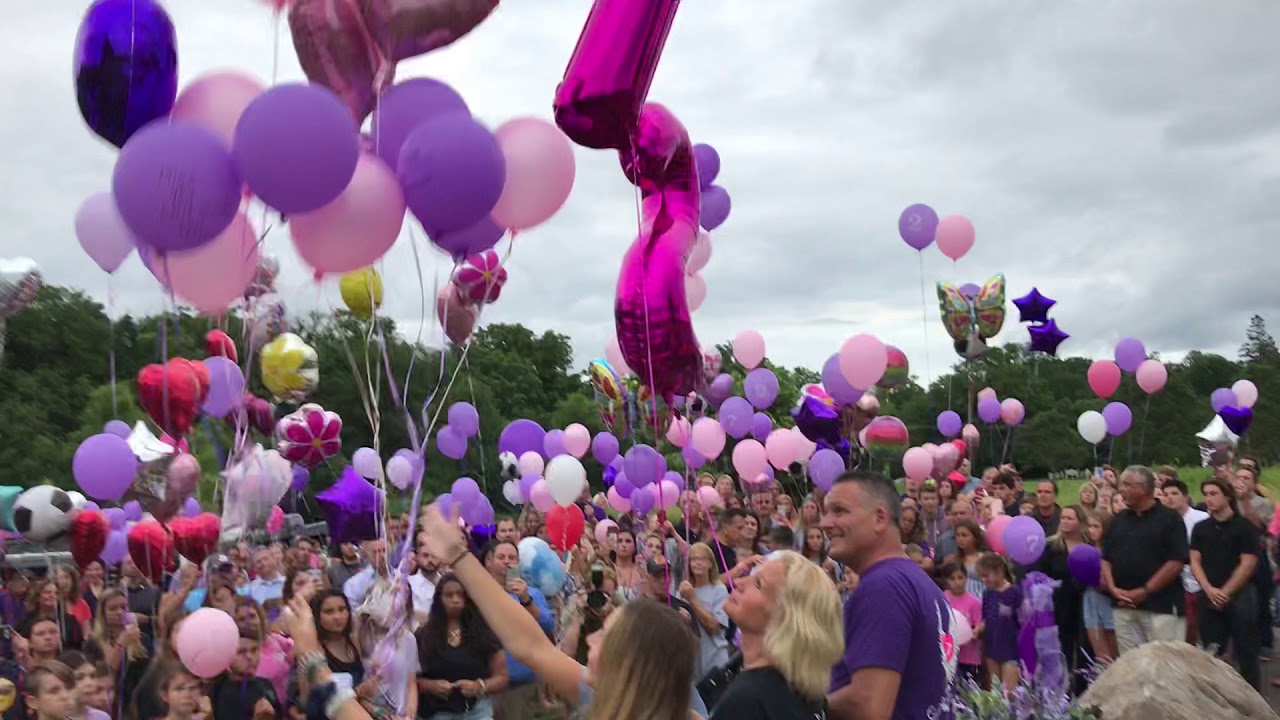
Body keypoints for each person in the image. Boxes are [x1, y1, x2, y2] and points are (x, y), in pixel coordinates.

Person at [416, 505, 708, 720]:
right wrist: (457, 555)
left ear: (633, 662)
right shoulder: (609, 695)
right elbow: (532, 647)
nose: (592, 640)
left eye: (607, 635)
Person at [822, 470, 951, 720]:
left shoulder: (884, 587)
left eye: (839, 511)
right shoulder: (916, 581)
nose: (826, 523)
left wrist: (800, 705)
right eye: (826, 512)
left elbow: (869, 706)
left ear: (880, 518)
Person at [709, 551, 842, 719]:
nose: (738, 582)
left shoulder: (747, 701)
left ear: (784, 619)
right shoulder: (806, 692)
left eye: (758, 584)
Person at [1101, 465, 1189, 653]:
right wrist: (1113, 589)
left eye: (1126, 484)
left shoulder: (1169, 519)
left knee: (1164, 665)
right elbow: (1106, 559)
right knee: (1131, 666)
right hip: (1123, 607)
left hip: (1159, 608)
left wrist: (1144, 591)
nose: (1121, 489)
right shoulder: (1119, 519)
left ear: (1143, 488)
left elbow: (1176, 561)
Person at [1190, 477, 1261, 690]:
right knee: (1211, 652)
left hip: (1240, 595)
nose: (1209, 499)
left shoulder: (1244, 527)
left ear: (1227, 496)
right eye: (1206, 494)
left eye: (1214, 494)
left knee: (1246, 652)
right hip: (1209, 594)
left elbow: (1248, 563)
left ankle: (1254, 702)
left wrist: (1225, 592)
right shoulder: (1200, 528)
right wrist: (1208, 589)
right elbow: (1195, 560)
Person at [416, 573, 508, 719]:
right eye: (449, 595)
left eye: (460, 595)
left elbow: (502, 676)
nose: (455, 600)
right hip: (439, 712)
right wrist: (431, 686)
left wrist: (479, 686)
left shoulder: (484, 633)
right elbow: (410, 680)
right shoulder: (424, 636)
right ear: (439, 599)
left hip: (477, 710)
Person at [479, 540, 554, 719]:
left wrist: (525, 598)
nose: (507, 561)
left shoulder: (533, 594)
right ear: (489, 562)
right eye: (501, 557)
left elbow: (547, 625)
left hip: (526, 684)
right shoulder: (479, 594)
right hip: (492, 684)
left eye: (512, 558)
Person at [1033, 505, 1088, 689]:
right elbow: (1040, 576)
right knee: (1061, 649)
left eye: (1070, 518)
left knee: (1083, 650)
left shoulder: (1089, 546)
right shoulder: (1051, 547)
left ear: (1080, 523)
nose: (1064, 521)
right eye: (1063, 518)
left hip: (1083, 604)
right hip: (1058, 605)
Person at [1161, 478, 1209, 644]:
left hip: (1200, 582)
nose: (1169, 498)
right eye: (1165, 494)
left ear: (1185, 496)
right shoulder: (1161, 522)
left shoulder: (1201, 519)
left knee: (1201, 629)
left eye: (1174, 493)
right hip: (1174, 584)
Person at [681, 543, 731, 680]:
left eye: (702, 559)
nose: (698, 563)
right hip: (693, 662)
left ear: (710, 564)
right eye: (694, 559)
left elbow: (715, 627)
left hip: (715, 659)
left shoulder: (719, 590)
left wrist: (693, 600)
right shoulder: (684, 590)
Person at [209, 630, 280, 720]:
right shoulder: (227, 696)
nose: (249, 657)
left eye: (254, 650)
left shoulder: (266, 683)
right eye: (241, 652)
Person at [977, 553, 1021, 690]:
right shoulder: (987, 594)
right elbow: (986, 618)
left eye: (986, 575)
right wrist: (979, 628)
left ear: (999, 572)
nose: (984, 580)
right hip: (992, 647)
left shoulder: (1015, 592)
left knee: (1008, 693)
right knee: (995, 693)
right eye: (981, 576)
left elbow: (1023, 622)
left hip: (1011, 649)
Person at [940, 562, 982, 687]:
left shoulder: (974, 603)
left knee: (968, 693)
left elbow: (979, 626)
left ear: (966, 578)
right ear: (946, 580)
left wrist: (974, 633)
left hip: (969, 657)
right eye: (952, 579)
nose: (957, 582)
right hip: (948, 656)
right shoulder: (942, 598)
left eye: (960, 578)